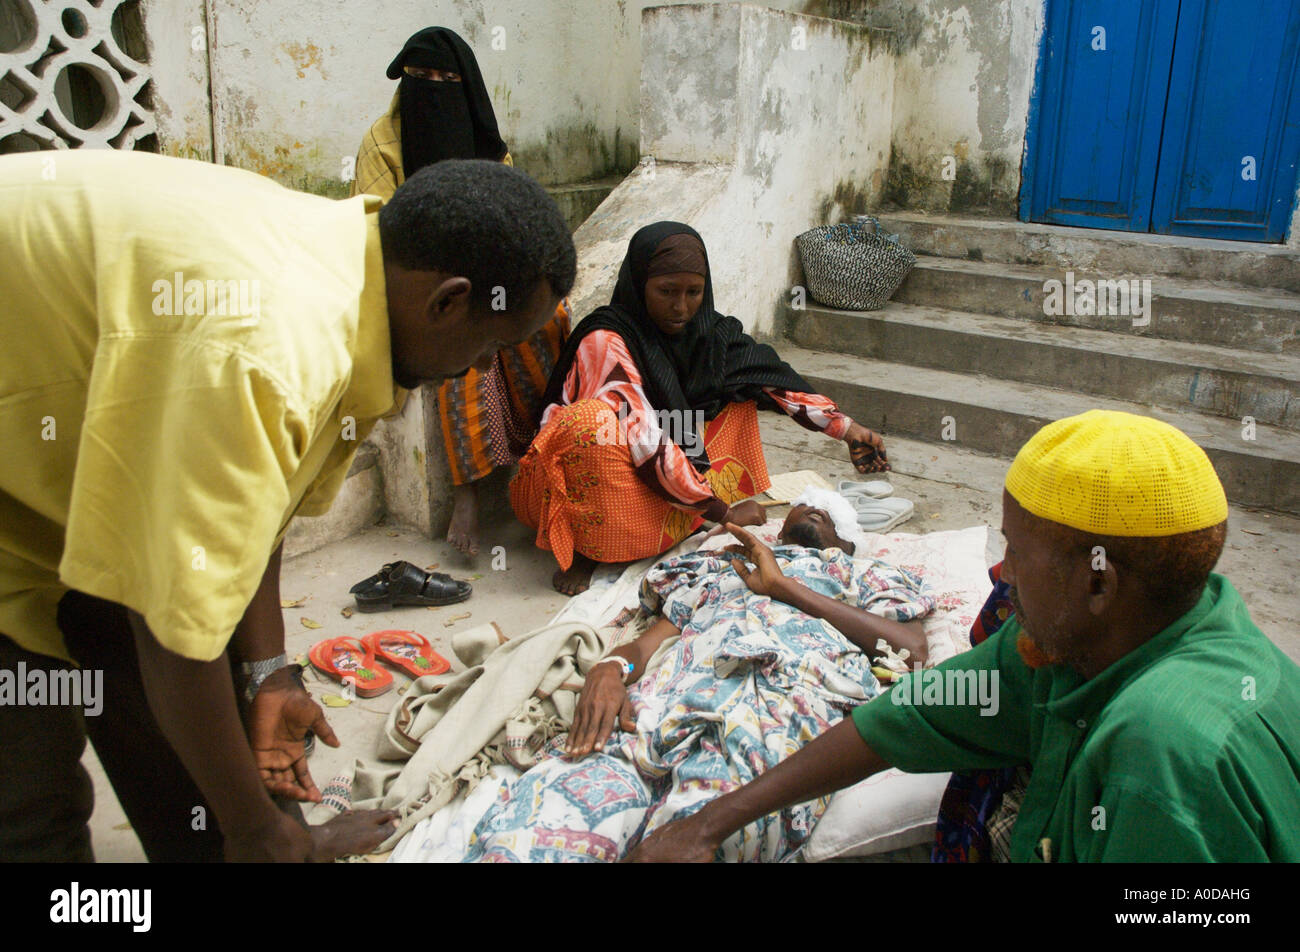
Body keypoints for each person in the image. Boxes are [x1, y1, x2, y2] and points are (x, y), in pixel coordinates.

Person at [0, 150, 575, 861]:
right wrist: (256, 830)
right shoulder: (269, 351)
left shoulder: (355, 266)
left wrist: (267, 672)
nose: (485, 369)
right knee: (31, 796)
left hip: (36, 441)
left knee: (153, 700)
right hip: (20, 481)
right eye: (494, 344)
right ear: (448, 301)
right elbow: (172, 626)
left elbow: (243, 519)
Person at [627, 410, 1300, 862]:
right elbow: (903, 719)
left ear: (1100, 583)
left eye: (1016, 552)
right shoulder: (1079, 642)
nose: (1001, 572)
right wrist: (710, 824)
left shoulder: (1165, 756)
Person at [462, 502, 933, 862]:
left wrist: (786, 588)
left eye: (828, 515)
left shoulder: (860, 574)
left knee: (694, 843)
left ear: (845, 544)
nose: (815, 508)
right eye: (804, 506)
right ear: (778, 531)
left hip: (780, 709)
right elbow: (648, 645)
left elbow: (910, 652)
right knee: (533, 828)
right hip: (661, 706)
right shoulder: (724, 568)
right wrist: (610, 670)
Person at [511, 221, 891, 596]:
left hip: (654, 477)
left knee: (737, 384)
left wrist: (846, 428)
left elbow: (772, 382)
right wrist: (723, 515)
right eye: (666, 291)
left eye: (694, 292)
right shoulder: (605, 340)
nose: (681, 307)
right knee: (590, 424)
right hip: (570, 487)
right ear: (639, 284)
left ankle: (686, 514)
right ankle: (588, 546)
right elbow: (645, 440)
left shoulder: (708, 332)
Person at [351, 26, 572, 558]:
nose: (431, 87)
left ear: (466, 86)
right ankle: (468, 490)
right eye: (418, 77)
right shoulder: (382, 142)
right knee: (458, 353)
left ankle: (547, 454)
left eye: (445, 79)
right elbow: (387, 228)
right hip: (429, 284)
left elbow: (513, 225)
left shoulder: (490, 148)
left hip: (493, 276)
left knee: (548, 322)